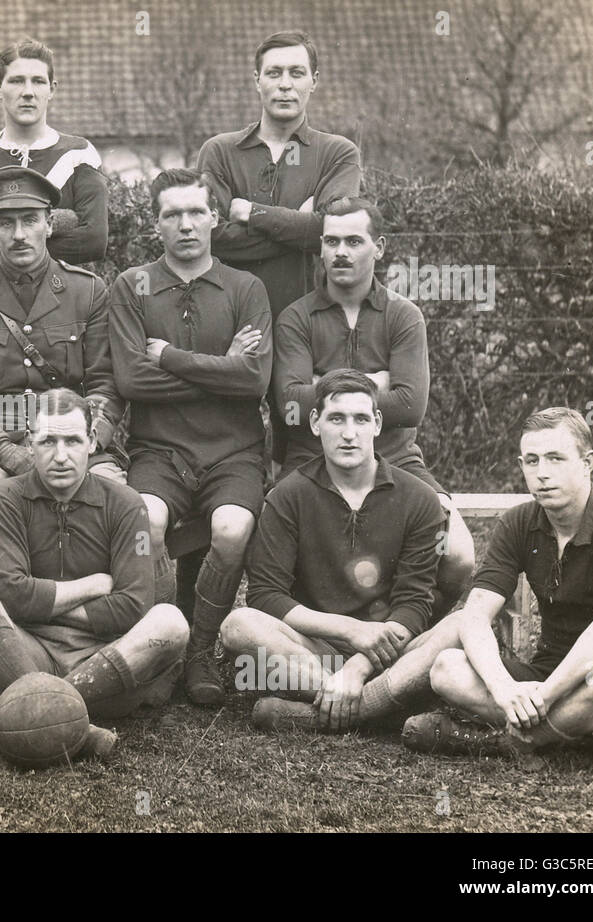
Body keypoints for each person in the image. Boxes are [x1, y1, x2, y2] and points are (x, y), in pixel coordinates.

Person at [0, 388, 189, 753]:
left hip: (106, 664)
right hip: (25, 653)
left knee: (171, 622)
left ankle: (28, 713)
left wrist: (39, 605)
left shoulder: (126, 505)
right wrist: (93, 586)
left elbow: (133, 608)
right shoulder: (3, 499)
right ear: (29, 443)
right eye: (48, 441)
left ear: (91, 442)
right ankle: (69, 724)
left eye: (72, 441)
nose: (60, 456)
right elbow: (13, 596)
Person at [109, 168, 272, 707]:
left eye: (196, 212)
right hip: (160, 451)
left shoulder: (246, 288)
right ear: (155, 224)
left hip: (234, 452)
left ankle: (200, 649)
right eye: (172, 214)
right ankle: (161, 649)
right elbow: (132, 380)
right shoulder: (131, 285)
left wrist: (173, 359)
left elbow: (254, 381)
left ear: (215, 219)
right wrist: (220, 368)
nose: (185, 224)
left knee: (232, 528)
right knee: (146, 520)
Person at [402, 408, 593, 759]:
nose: (542, 474)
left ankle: (504, 742)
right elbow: (475, 616)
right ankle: (576, 733)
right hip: (546, 672)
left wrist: (545, 697)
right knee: (446, 668)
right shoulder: (518, 522)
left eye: (555, 459)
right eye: (532, 461)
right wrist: (503, 689)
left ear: (588, 462)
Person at [273, 195, 474, 614]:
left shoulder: (403, 316)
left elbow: (409, 406)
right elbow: (291, 405)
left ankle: (406, 635)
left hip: (397, 460)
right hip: (313, 461)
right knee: (289, 558)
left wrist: (322, 385)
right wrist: (375, 381)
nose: (340, 252)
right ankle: (323, 642)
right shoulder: (296, 318)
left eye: (354, 241)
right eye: (331, 242)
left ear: (378, 247)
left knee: (459, 554)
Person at [220, 370, 450, 732]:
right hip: (312, 653)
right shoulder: (287, 496)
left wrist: (360, 664)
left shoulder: (419, 498)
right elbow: (265, 596)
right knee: (238, 626)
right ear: (315, 423)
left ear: (377, 423)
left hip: (388, 652)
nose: (348, 433)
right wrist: (350, 630)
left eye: (360, 419)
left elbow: (414, 605)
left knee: (459, 627)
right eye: (336, 418)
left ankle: (338, 708)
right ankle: (375, 706)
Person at [0, 166, 124, 566]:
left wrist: (85, 444)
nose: (19, 235)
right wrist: (4, 450)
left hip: (71, 439)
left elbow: (105, 385)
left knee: (110, 500)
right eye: (6, 223)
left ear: (49, 224)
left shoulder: (87, 290)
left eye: (30, 220)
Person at [195, 30, 361, 465]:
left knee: (302, 445)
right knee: (230, 447)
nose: (285, 84)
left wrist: (247, 211)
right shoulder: (220, 151)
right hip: (230, 321)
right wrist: (299, 224)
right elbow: (209, 236)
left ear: (314, 81)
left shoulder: (337, 154)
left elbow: (331, 231)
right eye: (274, 73)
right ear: (257, 80)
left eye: (296, 73)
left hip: (308, 322)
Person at [0, 37, 108, 266]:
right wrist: (63, 220)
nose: (28, 92)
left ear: (51, 89)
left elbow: (93, 241)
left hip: (61, 295)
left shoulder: (78, 154)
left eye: (38, 81)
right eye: (16, 81)